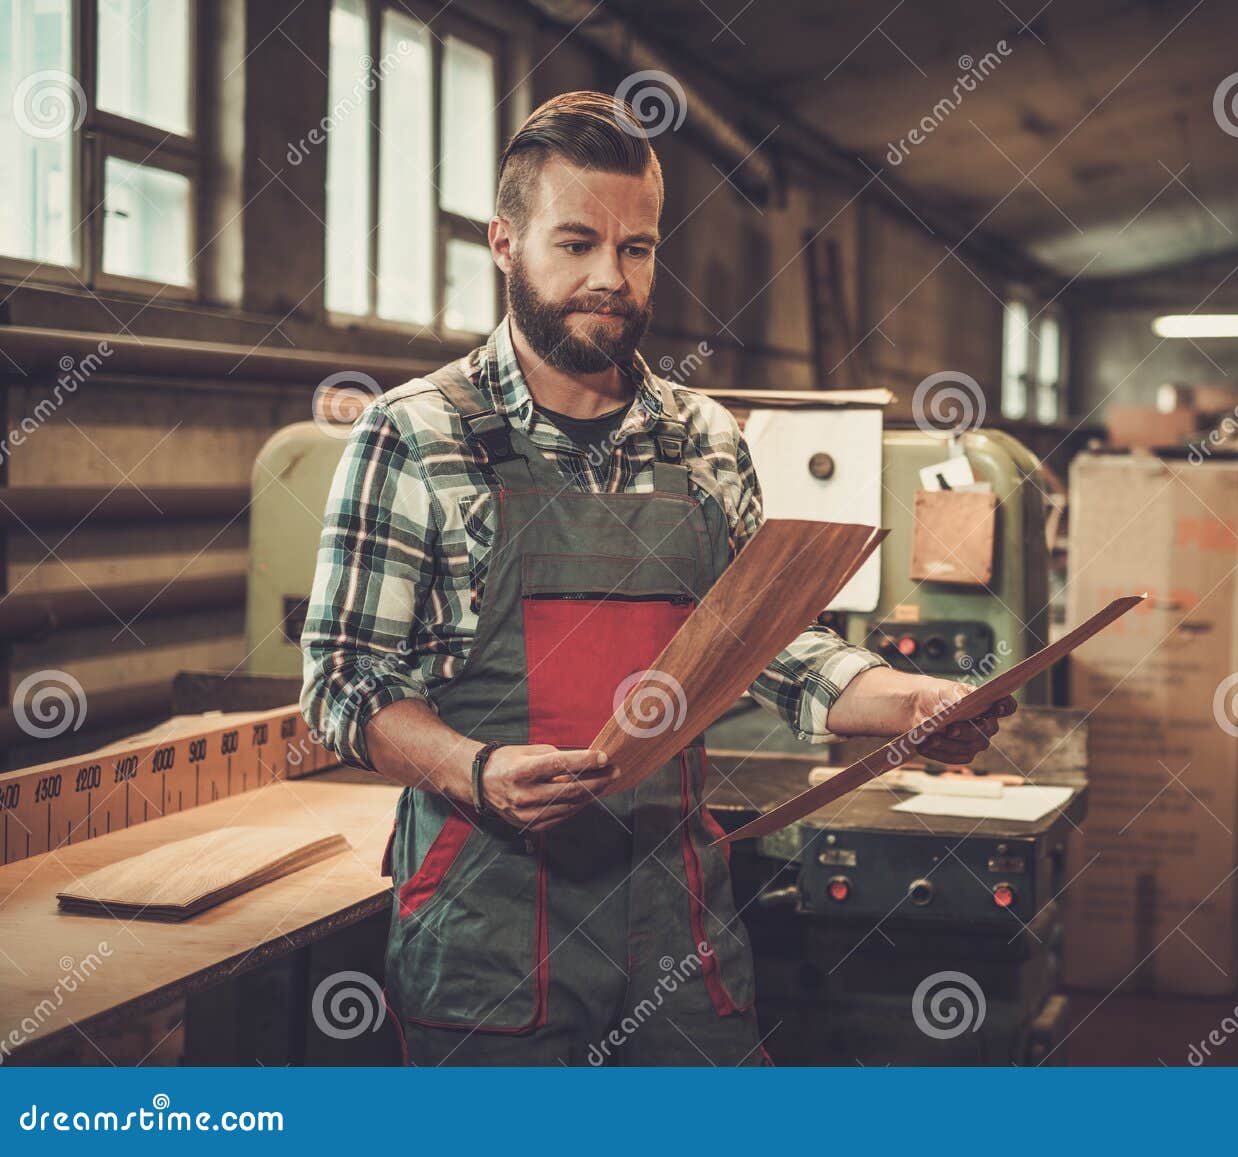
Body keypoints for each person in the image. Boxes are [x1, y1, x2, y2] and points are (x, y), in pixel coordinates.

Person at [300, 90, 1015, 1067]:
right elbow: (345, 679)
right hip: (487, 928)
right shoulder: (415, 435)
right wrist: (473, 768)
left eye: (636, 248)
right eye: (577, 242)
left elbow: (770, 646)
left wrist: (912, 701)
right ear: (504, 244)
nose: (609, 277)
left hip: (675, 920)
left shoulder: (705, 440)